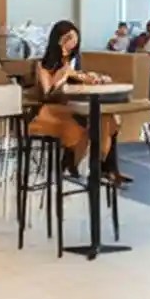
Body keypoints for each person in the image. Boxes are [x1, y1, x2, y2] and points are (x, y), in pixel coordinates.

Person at [29, 21, 127, 183]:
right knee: (83, 123)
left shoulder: (74, 62)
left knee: (109, 118)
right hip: (53, 110)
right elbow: (48, 93)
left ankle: (103, 167)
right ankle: (72, 164)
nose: (72, 43)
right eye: (68, 39)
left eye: (75, 39)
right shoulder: (43, 66)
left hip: (74, 106)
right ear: (59, 40)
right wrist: (63, 74)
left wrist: (95, 78)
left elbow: (80, 80)